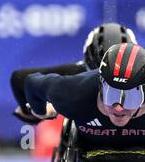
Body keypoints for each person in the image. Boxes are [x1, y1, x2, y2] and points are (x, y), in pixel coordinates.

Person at [8, 21, 137, 123]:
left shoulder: (75, 74)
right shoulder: (75, 74)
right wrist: (40, 111)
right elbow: (21, 79)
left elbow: (20, 79)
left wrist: (34, 113)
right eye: (99, 77)